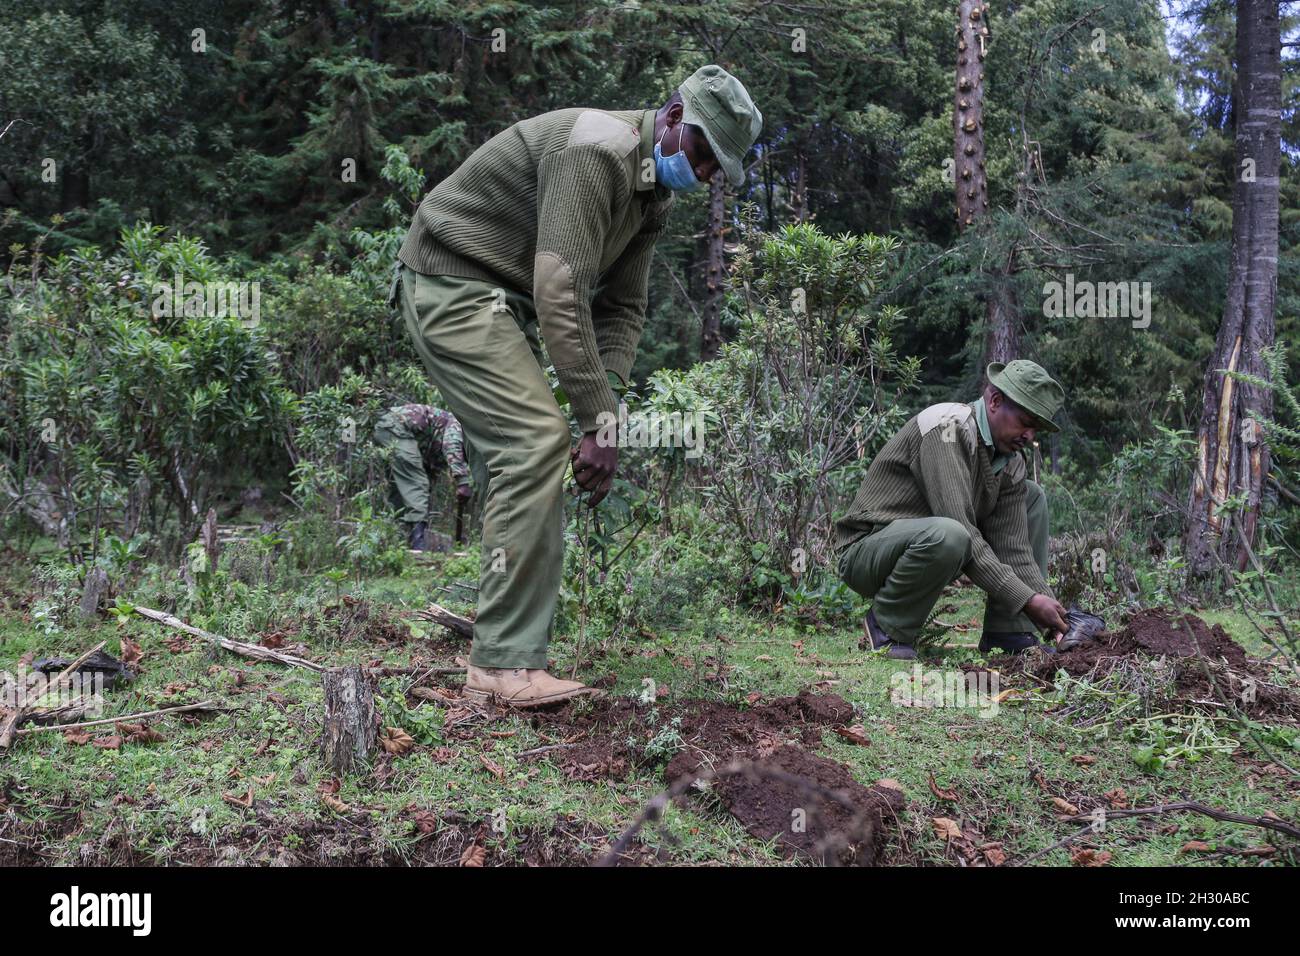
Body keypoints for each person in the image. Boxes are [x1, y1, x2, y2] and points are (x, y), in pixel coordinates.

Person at [388, 65, 763, 706]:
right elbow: (560, 290)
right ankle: (503, 664)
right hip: (450, 281)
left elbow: (622, 309)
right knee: (535, 441)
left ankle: (498, 630)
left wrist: (606, 415)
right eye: (702, 154)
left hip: (502, 302)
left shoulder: (653, 198)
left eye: (716, 170)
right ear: (673, 117)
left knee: (518, 454)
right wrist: (594, 419)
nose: (703, 175)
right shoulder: (599, 149)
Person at [835, 359, 1071, 659]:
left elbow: (1016, 551)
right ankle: (888, 628)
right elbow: (959, 526)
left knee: (1031, 497)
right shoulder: (946, 428)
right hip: (867, 552)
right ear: (995, 401)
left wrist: (1052, 613)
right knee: (951, 532)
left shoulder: (1011, 463)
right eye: (1025, 422)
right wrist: (1026, 598)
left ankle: (1010, 630)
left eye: (1035, 429)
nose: (1029, 436)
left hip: (927, 545)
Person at [373, 403, 472, 550]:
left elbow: (431, 469)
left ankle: (397, 540)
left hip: (390, 431)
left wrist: (425, 496)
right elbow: (452, 444)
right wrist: (462, 482)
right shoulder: (460, 425)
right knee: (417, 484)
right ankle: (417, 545)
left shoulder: (450, 442)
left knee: (401, 491)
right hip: (396, 426)